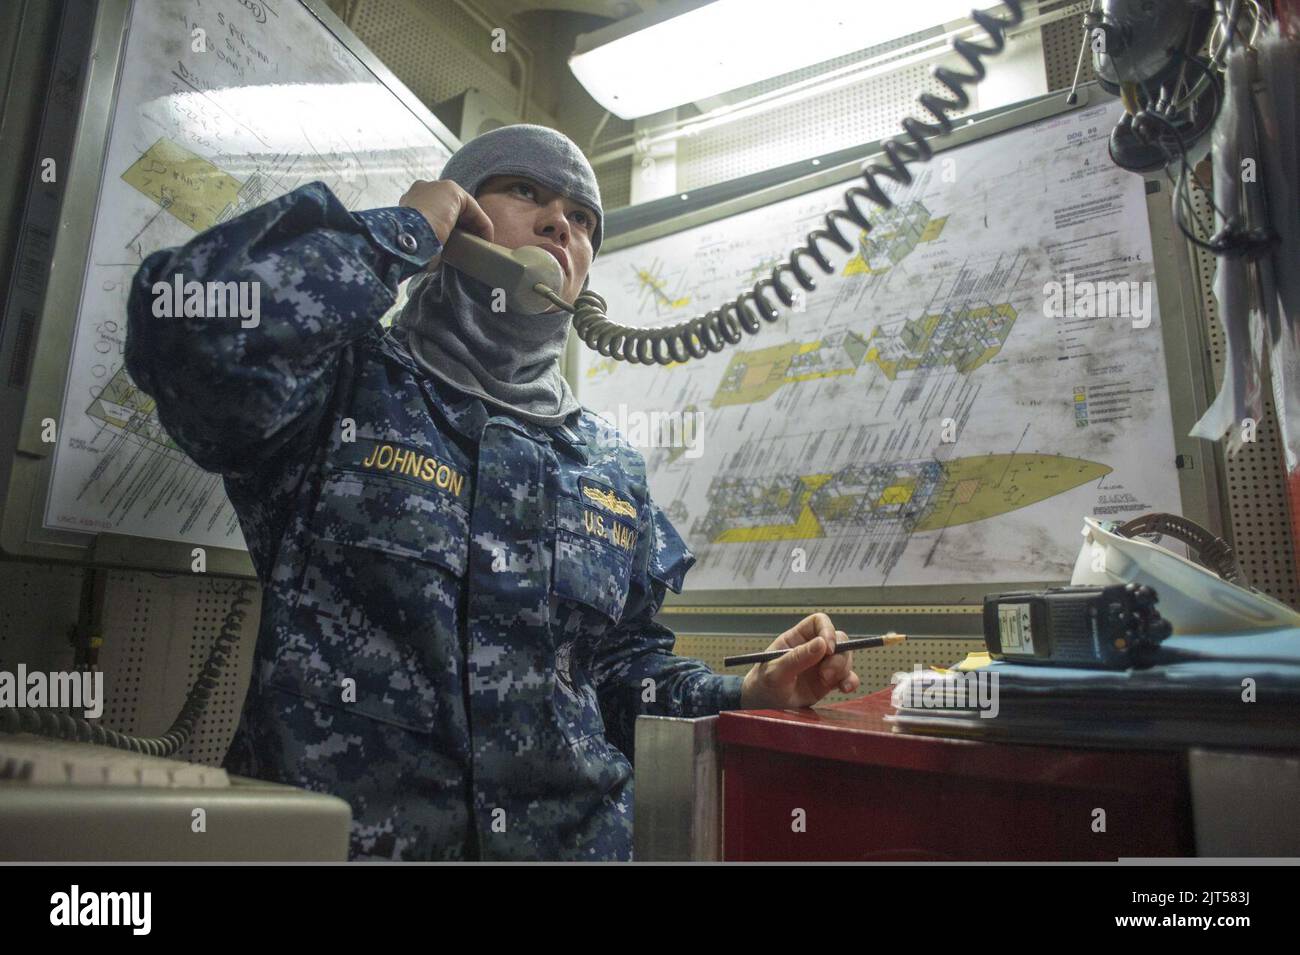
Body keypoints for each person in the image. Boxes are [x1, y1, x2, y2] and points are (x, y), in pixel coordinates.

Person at [125, 123, 860, 861]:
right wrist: (401, 232)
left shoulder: (609, 463)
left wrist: (743, 694)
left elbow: (613, 672)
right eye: (524, 191)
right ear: (460, 214)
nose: (559, 225)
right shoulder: (342, 387)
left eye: (582, 220)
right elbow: (189, 329)